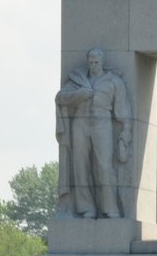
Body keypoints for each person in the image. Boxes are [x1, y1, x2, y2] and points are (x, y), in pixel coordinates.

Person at [55, 47, 131, 219]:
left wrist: (125, 135)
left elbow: (123, 112)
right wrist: (77, 95)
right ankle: (86, 208)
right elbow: (60, 98)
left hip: (102, 123)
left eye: (96, 62)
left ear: (102, 62)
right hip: (80, 123)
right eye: (90, 62)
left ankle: (110, 208)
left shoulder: (113, 81)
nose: (93, 65)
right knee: (80, 166)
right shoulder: (77, 79)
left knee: (105, 166)